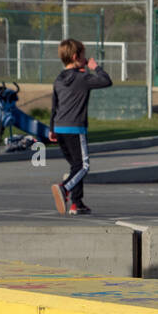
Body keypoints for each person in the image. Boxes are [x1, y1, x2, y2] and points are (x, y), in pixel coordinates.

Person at [49, 38, 111, 215]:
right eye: (84, 55)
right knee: (83, 166)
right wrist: (95, 67)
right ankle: (64, 188)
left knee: (75, 166)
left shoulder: (59, 79)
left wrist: (51, 128)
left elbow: (55, 105)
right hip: (75, 129)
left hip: (59, 128)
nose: (86, 58)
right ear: (76, 56)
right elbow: (106, 81)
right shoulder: (83, 78)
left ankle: (77, 203)